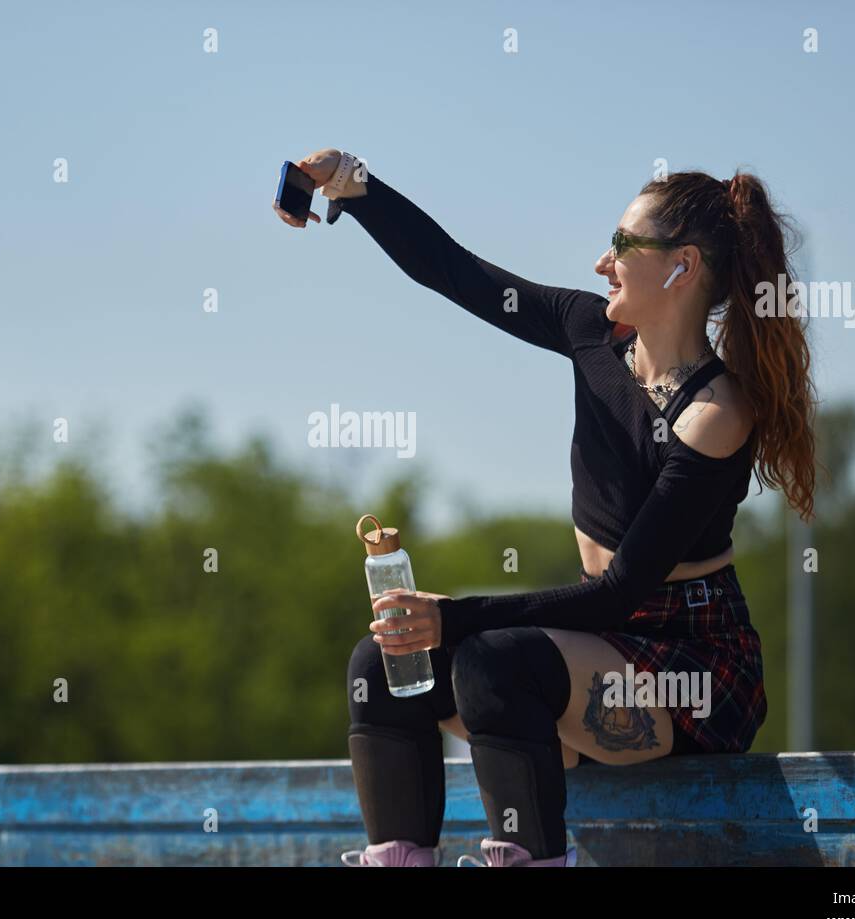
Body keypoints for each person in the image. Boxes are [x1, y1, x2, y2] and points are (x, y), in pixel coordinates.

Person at [274, 149, 817, 867]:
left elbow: (621, 592)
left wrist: (455, 616)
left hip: (690, 672)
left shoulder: (715, 413)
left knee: (497, 662)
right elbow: (452, 270)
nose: (603, 260)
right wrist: (353, 187)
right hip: (582, 656)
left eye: (624, 245)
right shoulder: (587, 330)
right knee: (383, 662)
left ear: (681, 267)